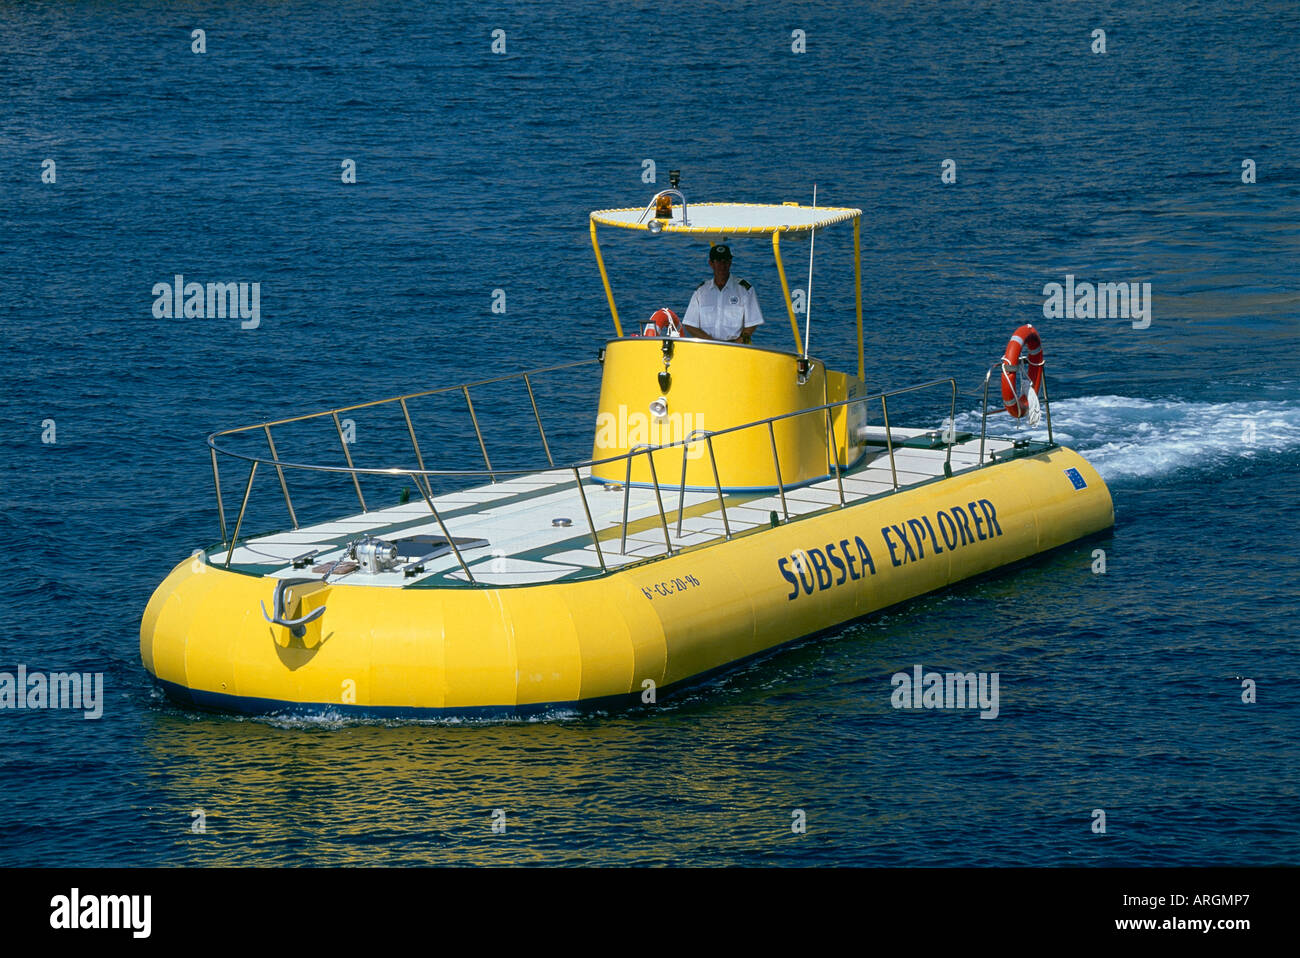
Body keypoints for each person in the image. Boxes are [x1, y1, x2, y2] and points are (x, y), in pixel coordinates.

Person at [682, 245, 763, 343]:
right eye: (718, 261)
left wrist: (740, 341)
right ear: (711, 264)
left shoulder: (745, 290)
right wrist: (711, 342)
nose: (722, 265)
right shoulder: (701, 292)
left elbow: (753, 322)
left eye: (726, 261)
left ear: (730, 263)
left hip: (735, 347)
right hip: (707, 347)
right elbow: (690, 324)